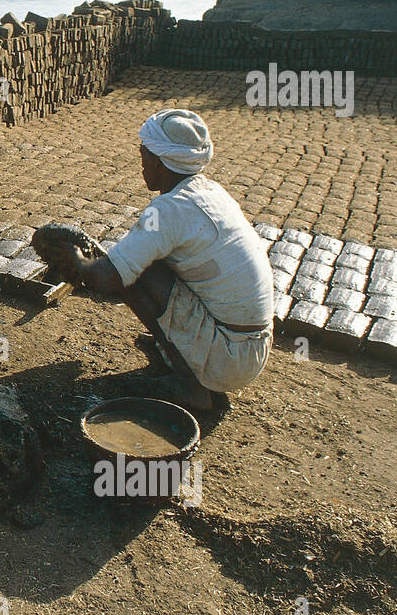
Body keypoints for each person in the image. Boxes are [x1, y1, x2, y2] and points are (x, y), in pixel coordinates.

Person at [33, 108, 274, 411]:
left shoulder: (169, 210)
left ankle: (190, 384)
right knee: (139, 261)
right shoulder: (209, 191)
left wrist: (76, 260)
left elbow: (108, 278)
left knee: (137, 270)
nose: (142, 163)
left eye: (144, 154)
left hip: (228, 357)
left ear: (160, 161)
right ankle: (175, 350)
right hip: (253, 349)